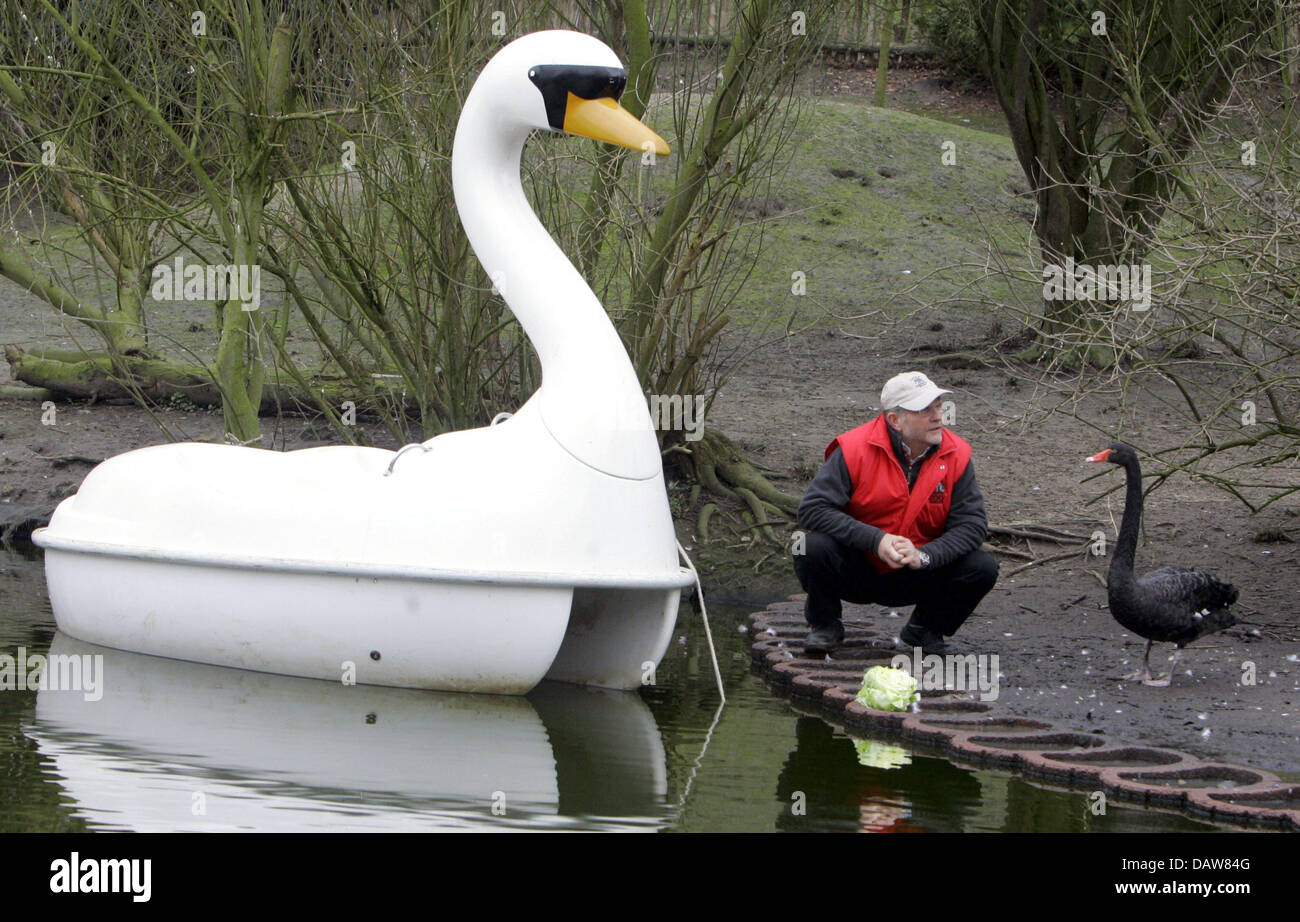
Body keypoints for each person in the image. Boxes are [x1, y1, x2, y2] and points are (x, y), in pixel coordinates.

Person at [793, 371, 997, 655]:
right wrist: (877, 540)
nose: (939, 416)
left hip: (919, 571)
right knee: (807, 545)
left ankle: (924, 630)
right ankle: (825, 625)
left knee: (983, 566)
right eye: (926, 410)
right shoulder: (853, 449)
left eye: (938, 406)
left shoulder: (957, 454)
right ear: (895, 420)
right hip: (859, 569)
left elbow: (973, 525)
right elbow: (813, 510)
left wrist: (925, 555)